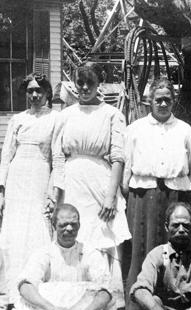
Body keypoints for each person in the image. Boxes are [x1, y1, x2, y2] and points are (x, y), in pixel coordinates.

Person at [122, 77, 191, 310]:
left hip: (176, 194)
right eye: (158, 99)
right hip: (142, 196)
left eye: (167, 99)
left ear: (174, 101)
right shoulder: (135, 129)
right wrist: (131, 194)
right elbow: (126, 165)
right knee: (140, 250)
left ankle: (179, 301)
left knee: (178, 248)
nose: (162, 104)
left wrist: (187, 193)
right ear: (149, 101)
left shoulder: (185, 130)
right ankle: (138, 307)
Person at [17, 204, 123, 310]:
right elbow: (25, 286)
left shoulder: (90, 252)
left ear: (79, 226)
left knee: (107, 309)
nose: (68, 228)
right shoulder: (43, 252)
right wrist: (53, 309)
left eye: (73, 224)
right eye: (62, 225)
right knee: (26, 303)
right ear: (54, 226)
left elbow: (105, 291)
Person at [52, 62, 131, 257]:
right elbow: (58, 156)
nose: (85, 88)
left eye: (90, 82)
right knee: (71, 235)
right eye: (80, 83)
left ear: (99, 84)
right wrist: (55, 192)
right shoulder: (65, 115)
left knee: (103, 235)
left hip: (100, 183)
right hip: (71, 184)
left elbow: (118, 158)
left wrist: (111, 197)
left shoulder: (113, 115)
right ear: (74, 84)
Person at [0, 73, 60, 300]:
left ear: (47, 93)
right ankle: (8, 291)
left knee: (36, 229)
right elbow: (6, 157)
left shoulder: (56, 119)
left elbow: (57, 159)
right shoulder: (17, 119)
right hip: (16, 180)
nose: (34, 95)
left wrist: (52, 192)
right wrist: (0, 193)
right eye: (30, 91)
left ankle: (35, 288)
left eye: (39, 91)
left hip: (40, 178)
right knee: (13, 232)